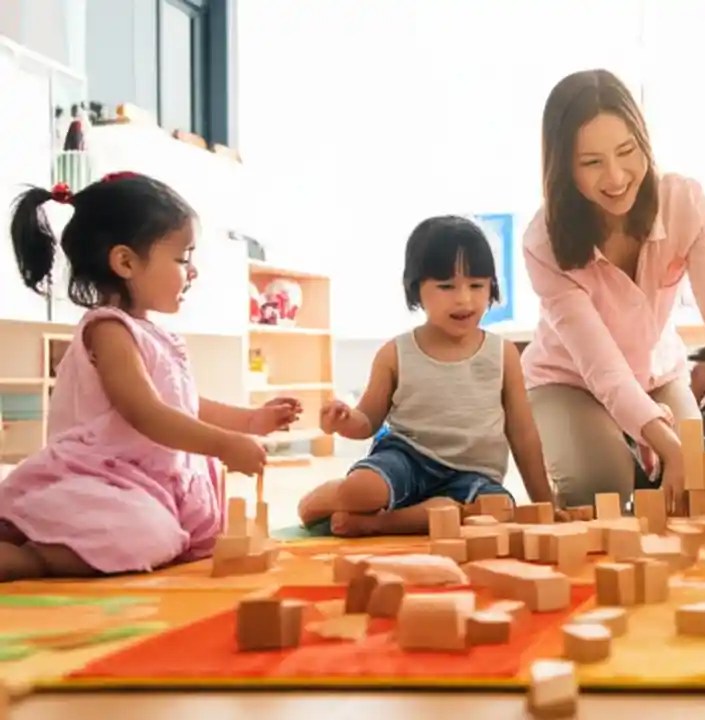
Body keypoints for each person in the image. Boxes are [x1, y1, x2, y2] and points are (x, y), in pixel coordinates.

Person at [0, 173, 300, 582]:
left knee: (199, 535)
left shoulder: (153, 333)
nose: (192, 272)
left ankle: (41, 533)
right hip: (101, 479)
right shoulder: (109, 331)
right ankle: (28, 559)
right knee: (145, 537)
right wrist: (223, 443)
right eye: (182, 259)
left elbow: (185, 403)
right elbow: (146, 412)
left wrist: (250, 420)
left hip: (146, 482)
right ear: (125, 262)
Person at [522, 68, 705, 513]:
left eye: (627, 151)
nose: (617, 176)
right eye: (591, 163)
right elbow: (603, 371)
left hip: (656, 372)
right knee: (599, 485)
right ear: (563, 167)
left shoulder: (685, 203)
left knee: (699, 480)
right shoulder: (543, 242)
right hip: (570, 380)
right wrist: (666, 443)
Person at [297, 215, 554, 536]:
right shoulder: (395, 353)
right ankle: (325, 500)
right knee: (360, 491)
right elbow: (368, 421)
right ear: (416, 290)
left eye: (477, 285)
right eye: (446, 286)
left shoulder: (502, 355)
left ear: (492, 286)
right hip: (406, 460)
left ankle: (378, 524)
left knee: (499, 511)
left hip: (473, 476)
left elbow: (523, 433)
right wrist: (343, 421)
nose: (464, 298)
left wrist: (547, 504)